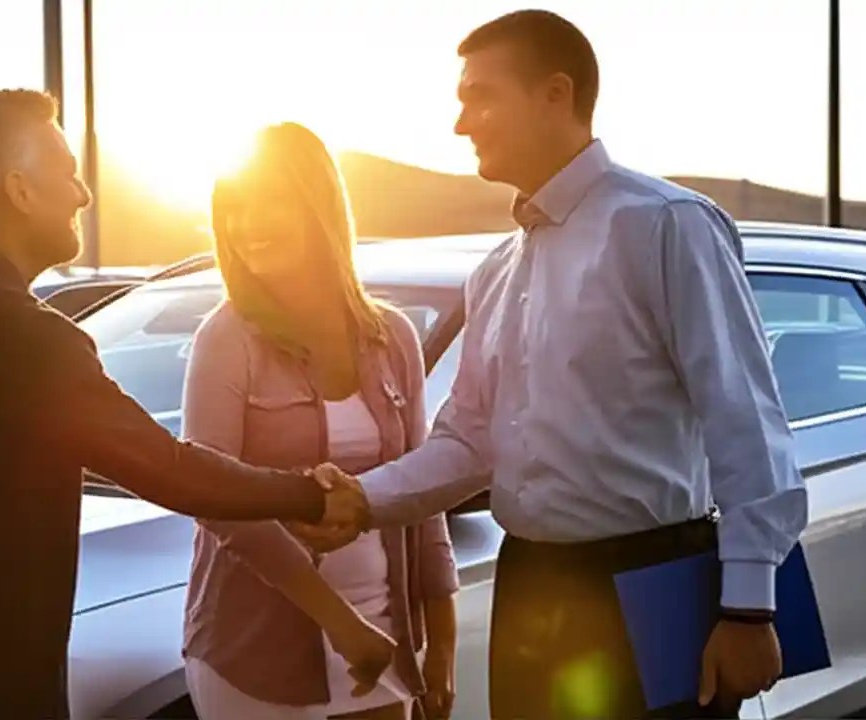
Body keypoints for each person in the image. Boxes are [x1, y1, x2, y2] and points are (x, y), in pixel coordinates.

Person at [314, 9, 809, 720]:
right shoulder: (494, 271)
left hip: (656, 582)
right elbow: (471, 441)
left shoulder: (666, 225)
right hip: (532, 587)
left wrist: (751, 608)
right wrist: (362, 500)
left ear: (556, 93)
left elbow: (745, 420)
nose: (462, 124)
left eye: (480, 96)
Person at [0, 90, 393, 719]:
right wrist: (313, 496)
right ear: (19, 191)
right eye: (68, 173)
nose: (83, 194)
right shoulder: (19, 334)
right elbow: (174, 469)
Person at [179, 122, 460, 720]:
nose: (248, 225)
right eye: (234, 208)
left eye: (269, 203)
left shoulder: (394, 339)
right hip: (256, 654)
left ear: (318, 205)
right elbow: (215, 499)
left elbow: (423, 492)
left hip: (384, 642)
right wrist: (341, 625)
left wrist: (442, 642)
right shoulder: (227, 339)